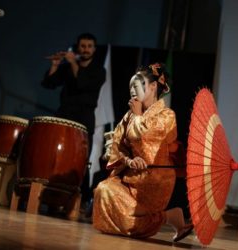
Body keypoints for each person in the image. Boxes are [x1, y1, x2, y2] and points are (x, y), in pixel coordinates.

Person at [92, 62, 193, 242]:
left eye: (138, 84)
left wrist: (138, 116)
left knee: (130, 224)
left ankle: (163, 216)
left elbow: (147, 143)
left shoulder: (167, 115)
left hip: (154, 180)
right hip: (131, 178)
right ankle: (168, 216)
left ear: (153, 86)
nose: (132, 89)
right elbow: (117, 146)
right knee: (103, 190)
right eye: (131, 85)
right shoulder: (129, 114)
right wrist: (129, 161)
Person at [41, 33, 106, 204]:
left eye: (89, 46)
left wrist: (72, 62)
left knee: (79, 159)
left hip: (84, 118)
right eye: (82, 46)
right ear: (78, 47)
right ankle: (51, 195)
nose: (85, 49)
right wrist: (55, 65)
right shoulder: (69, 66)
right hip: (64, 115)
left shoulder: (99, 70)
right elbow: (49, 83)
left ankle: (77, 200)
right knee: (57, 155)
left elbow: (82, 83)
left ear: (94, 49)